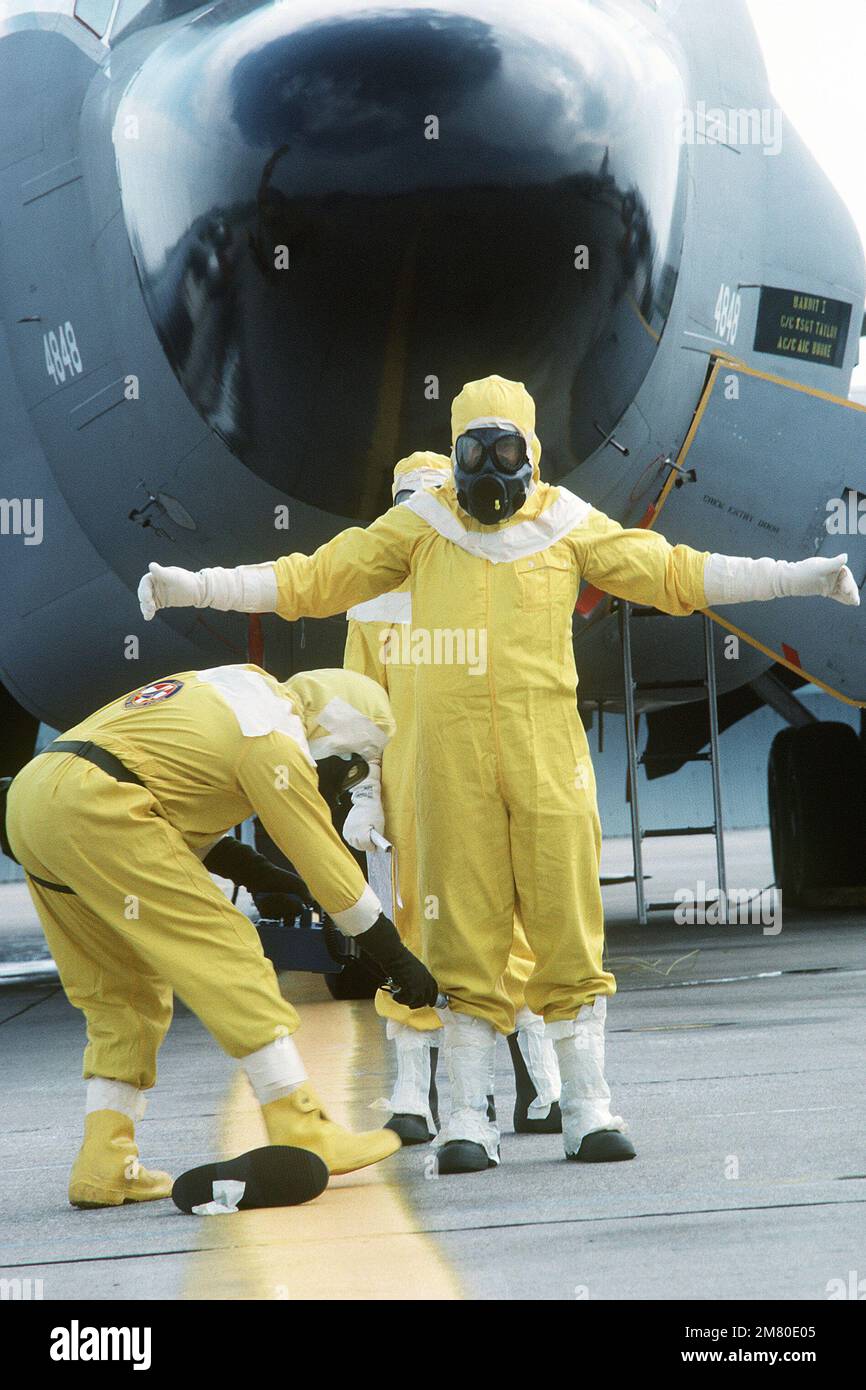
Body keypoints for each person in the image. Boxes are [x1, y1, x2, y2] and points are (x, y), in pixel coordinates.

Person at [138, 374, 859, 1176]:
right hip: (447, 770)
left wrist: (801, 576)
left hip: (546, 757)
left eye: (504, 448)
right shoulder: (419, 525)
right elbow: (311, 579)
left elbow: (677, 574)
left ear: (531, 451)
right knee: (457, 938)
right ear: (453, 452)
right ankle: (465, 1122)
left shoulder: (566, 524)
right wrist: (194, 587)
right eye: (473, 448)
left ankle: (588, 1107)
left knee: (565, 923)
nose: (489, 465)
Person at [5, 665, 438, 1207]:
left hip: (35, 802)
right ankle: (300, 1123)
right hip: (102, 806)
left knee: (121, 995)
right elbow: (331, 869)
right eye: (349, 769)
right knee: (228, 949)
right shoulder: (274, 734)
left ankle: (104, 1161)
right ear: (333, 736)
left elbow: (168, 795)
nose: (341, 783)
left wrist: (263, 876)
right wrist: (396, 958)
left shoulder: (232, 690)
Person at [341, 451, 561, 1145]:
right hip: (405, 799)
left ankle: (539, 1088)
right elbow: (359, 715)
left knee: (502, 932)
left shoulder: (482, 585)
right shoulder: (373, 603)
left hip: (471, 788)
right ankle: (415, 1094)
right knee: (408, 938)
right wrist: (365, 799)